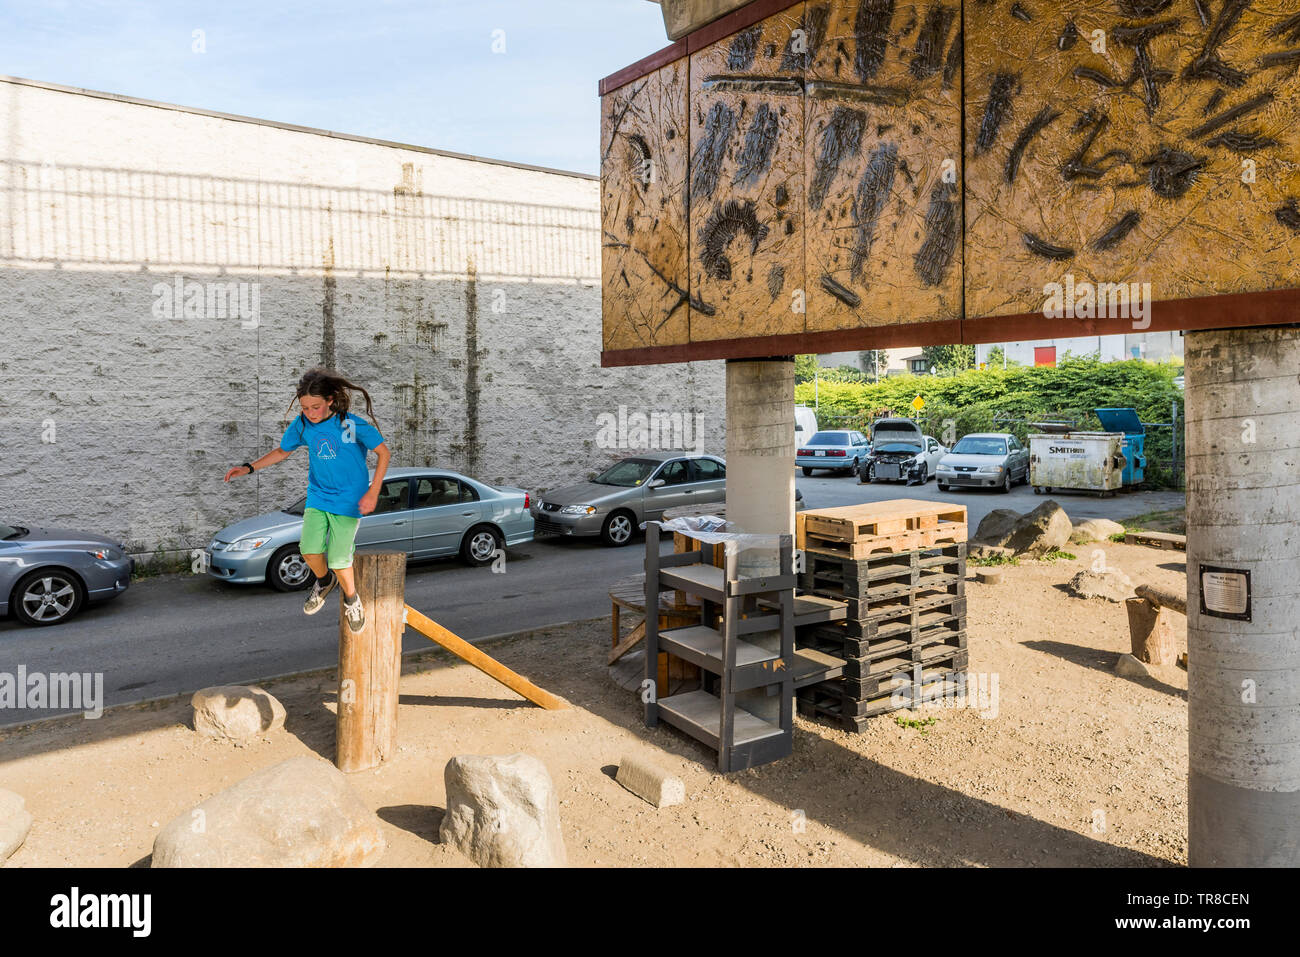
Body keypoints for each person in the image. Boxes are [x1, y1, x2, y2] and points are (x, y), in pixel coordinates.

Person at [223, 368, 391, 632]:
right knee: (309, 550)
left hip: (349, 499)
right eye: (305, 407)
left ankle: (352, 599)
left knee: (338, 559)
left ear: (330, 400)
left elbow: (384, 453)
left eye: (316, 407)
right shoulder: (302, 424)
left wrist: (373, 491)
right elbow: (281, 451)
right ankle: (324, 583)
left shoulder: (351, 423)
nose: (310, 413)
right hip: (318, 495)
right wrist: (249, 468)